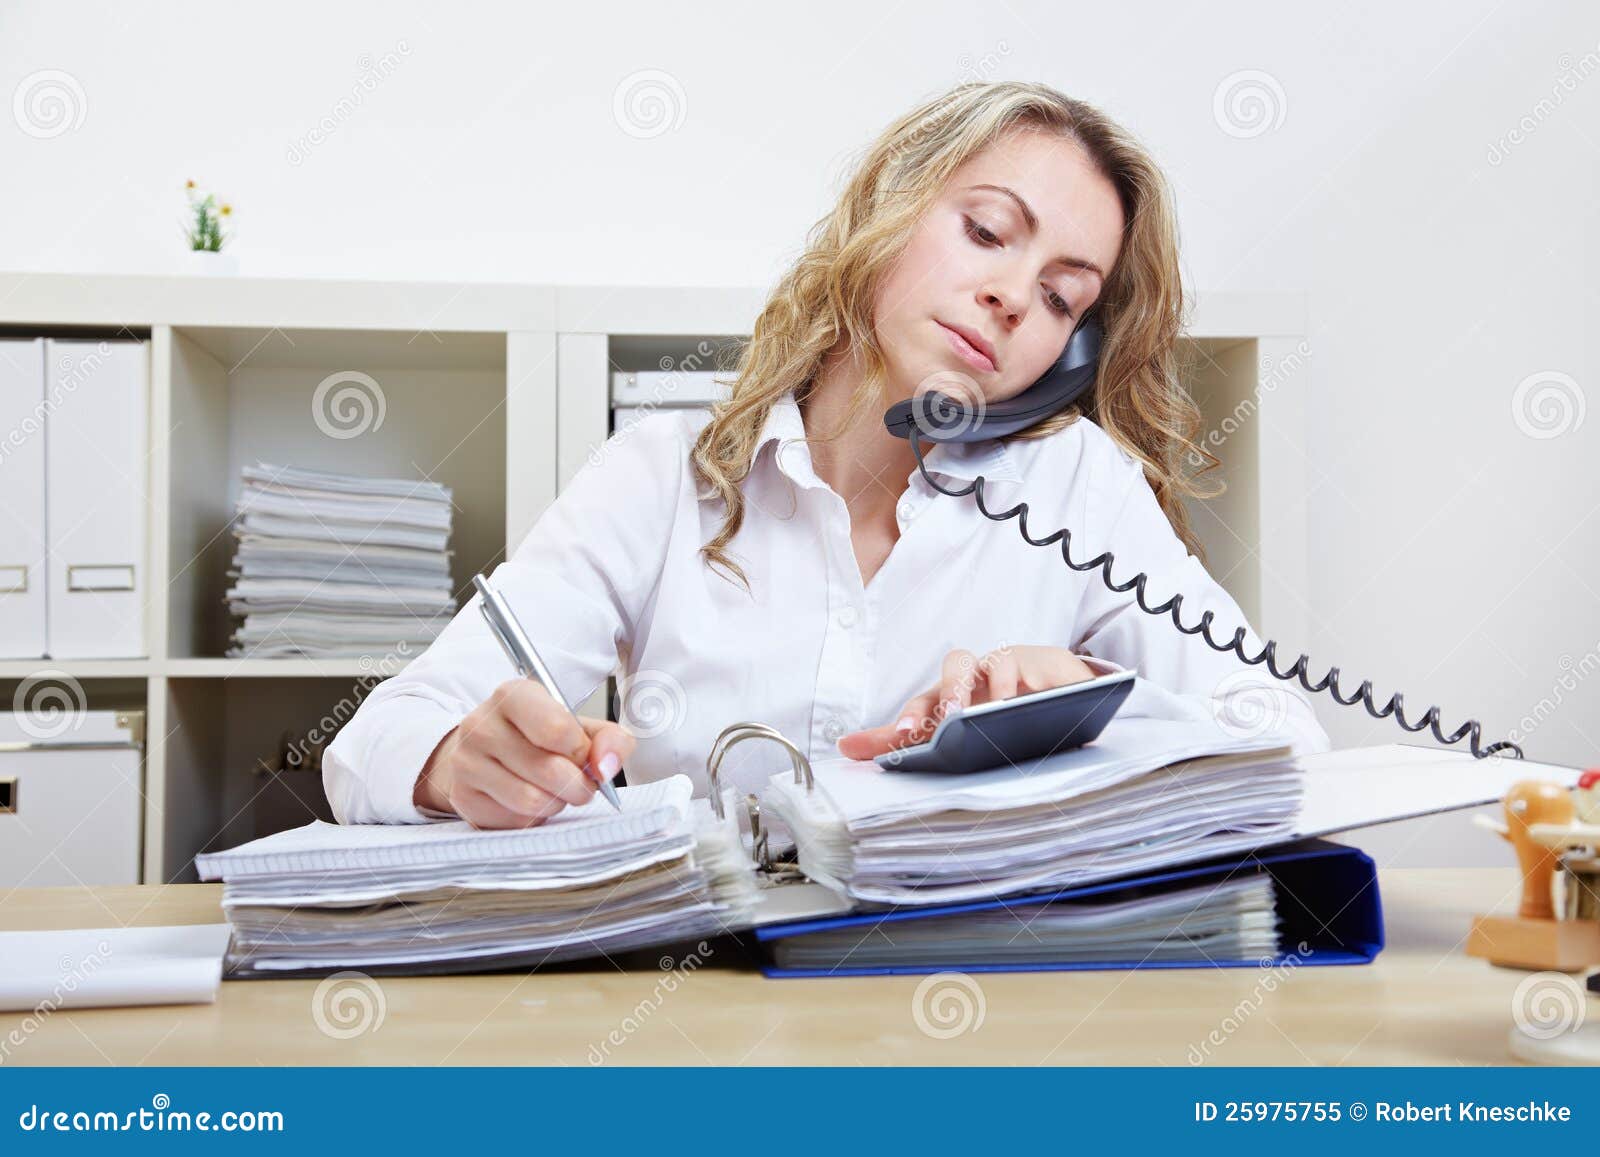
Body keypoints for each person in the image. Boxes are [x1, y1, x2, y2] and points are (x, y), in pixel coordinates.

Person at [322, 80, 1331, 829]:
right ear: (885, 213)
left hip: (993, 1006)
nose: (1015, 295)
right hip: (713, 1011)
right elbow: (369, 744)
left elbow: (1287, 746)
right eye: (986, 230)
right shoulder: (660, 476)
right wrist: (456, 761)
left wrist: (1087, 692)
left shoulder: (1075, 486)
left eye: (1064, 296)